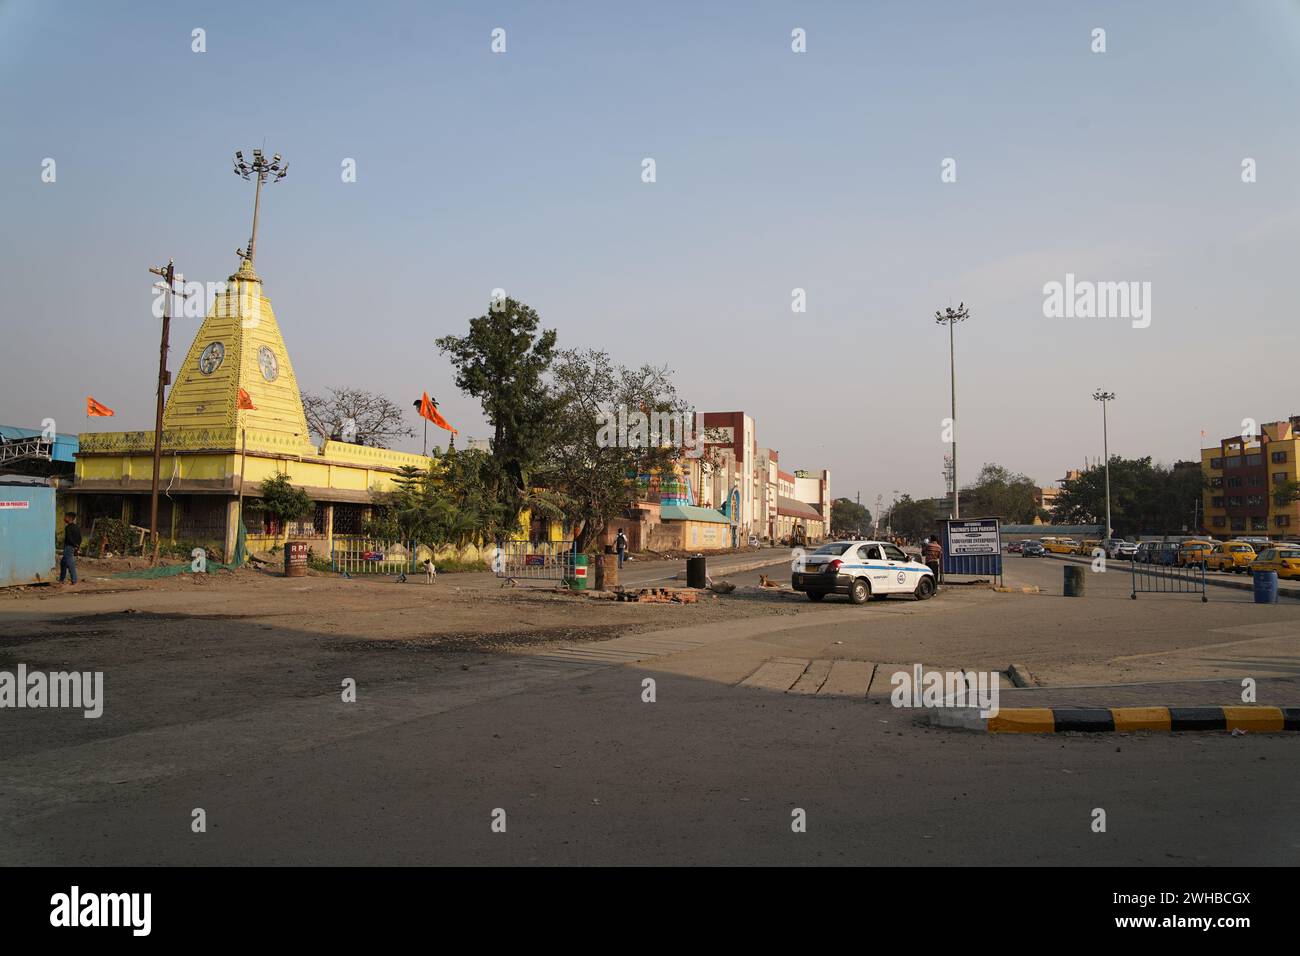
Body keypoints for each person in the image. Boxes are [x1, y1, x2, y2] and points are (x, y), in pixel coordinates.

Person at [60, 512, 81, 585]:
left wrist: (74, 544)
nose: (64, 518)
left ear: (69, 518)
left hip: (68, 547)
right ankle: (61, 579)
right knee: (63, 563)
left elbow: (69, 538)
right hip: (73, 547)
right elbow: (80, 538)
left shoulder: (68, 527)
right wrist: (77, 546)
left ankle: (74, 580)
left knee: (70, 563)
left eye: (65, 517)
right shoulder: (77, 527)